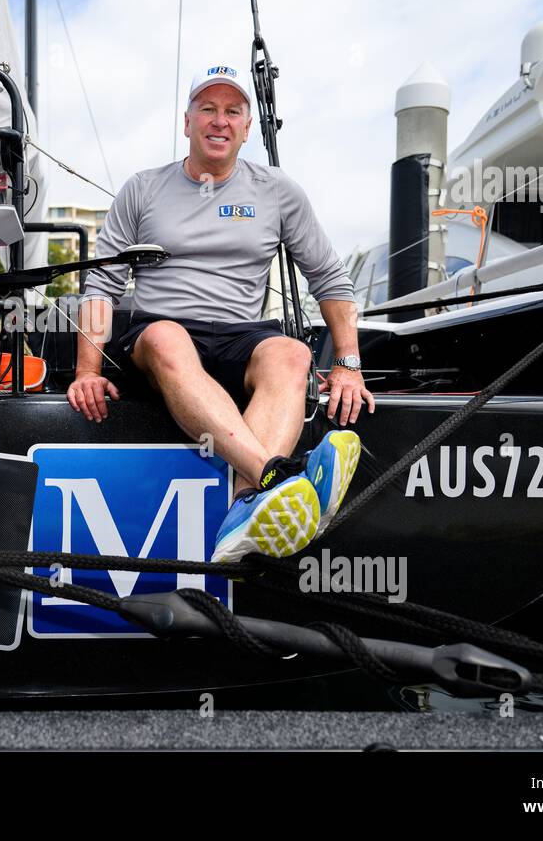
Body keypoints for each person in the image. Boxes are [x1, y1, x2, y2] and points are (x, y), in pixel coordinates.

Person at [67, 64, 374, 562]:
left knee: (294, 356)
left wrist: (347, 364)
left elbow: (329, 278)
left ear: (247, 128)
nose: (219, 120)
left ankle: (244, 513)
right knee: (168, 338)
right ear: (185, 121)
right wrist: (86, 371)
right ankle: (278, 477)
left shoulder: (277, 191)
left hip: (242, 335)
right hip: (160, 336)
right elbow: (101, 282)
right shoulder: (142, 188)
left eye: (232, 111)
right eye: (207, 108)